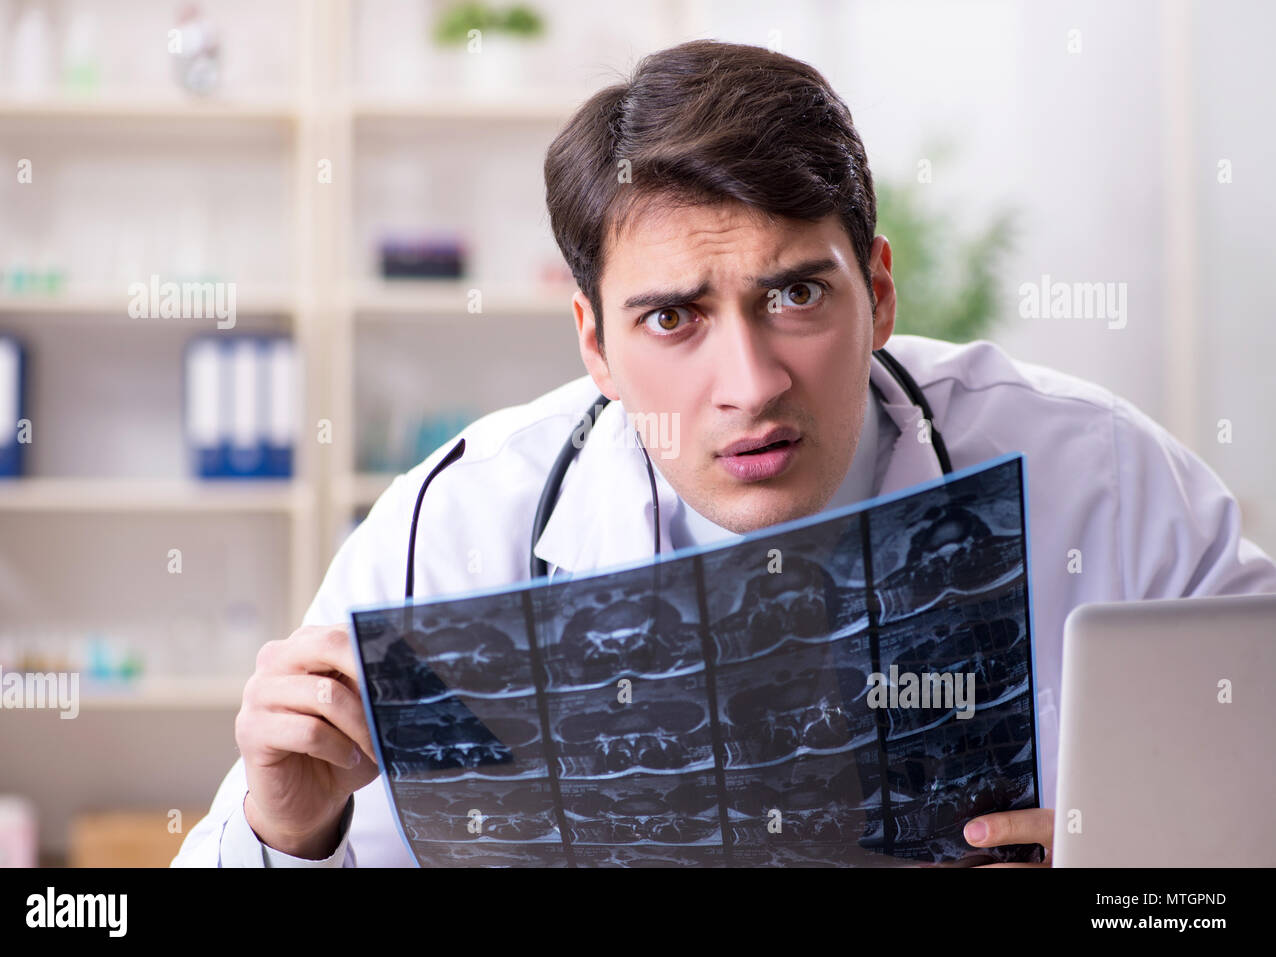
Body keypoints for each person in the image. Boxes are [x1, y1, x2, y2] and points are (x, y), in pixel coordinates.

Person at [172, 39, 1276, 868]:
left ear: (879, 291)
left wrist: (1137, 888)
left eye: (794, 294)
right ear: (593, 342)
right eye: (672, 319)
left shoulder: (1110, 488)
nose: (749, 384)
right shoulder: (450, 533)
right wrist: (285, 826)